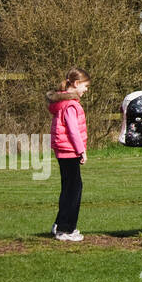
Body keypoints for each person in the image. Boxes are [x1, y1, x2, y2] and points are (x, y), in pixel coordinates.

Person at [47, 67, 90, 242]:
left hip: (62, 152)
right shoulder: (72, 105)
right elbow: (73, 131)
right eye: (85, 86)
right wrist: (81, 151)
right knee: (74, 190)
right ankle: (66, 229)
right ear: (77, 84)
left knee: (68, 189)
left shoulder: (61, 104)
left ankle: (59, 224)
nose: (86, 90)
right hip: (70, 152)